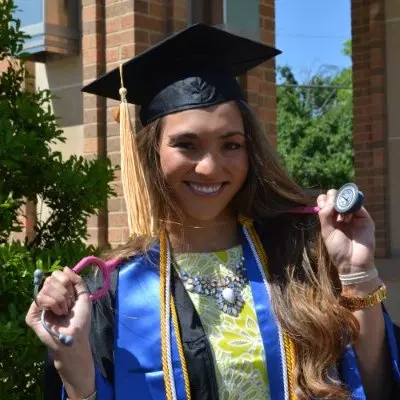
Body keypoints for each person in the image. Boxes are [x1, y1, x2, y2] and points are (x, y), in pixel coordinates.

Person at [26, 24, 400, 400]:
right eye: (187, 144)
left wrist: (356, 274)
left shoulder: (297, 258)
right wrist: (73, 368)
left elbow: (376, 385)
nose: (210, 167)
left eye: (231, 145)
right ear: (150, 154)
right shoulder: (112, 291)